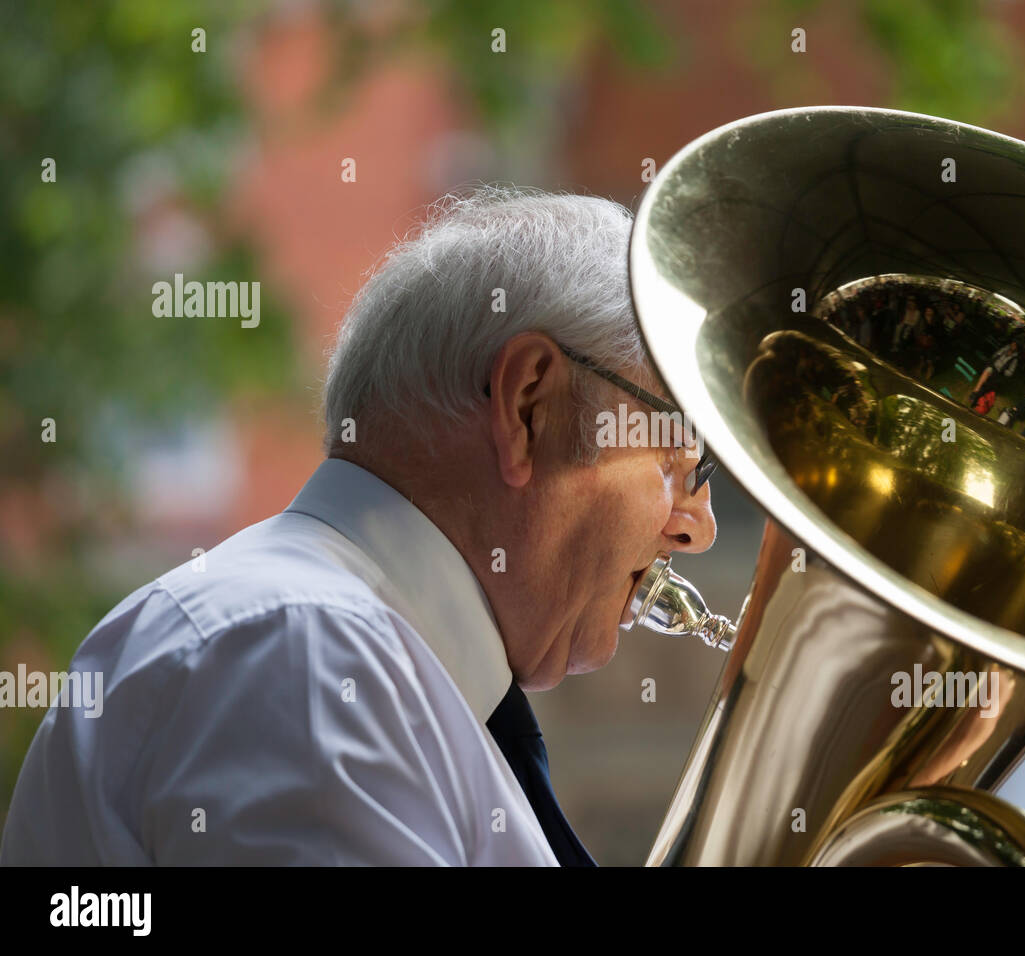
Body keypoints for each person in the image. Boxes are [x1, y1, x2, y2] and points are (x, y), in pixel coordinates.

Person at [0, 186, 718, 866]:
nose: (698, 529)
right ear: (530, 406)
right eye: (681, 457)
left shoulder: (342, 655)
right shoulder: (307, 648)